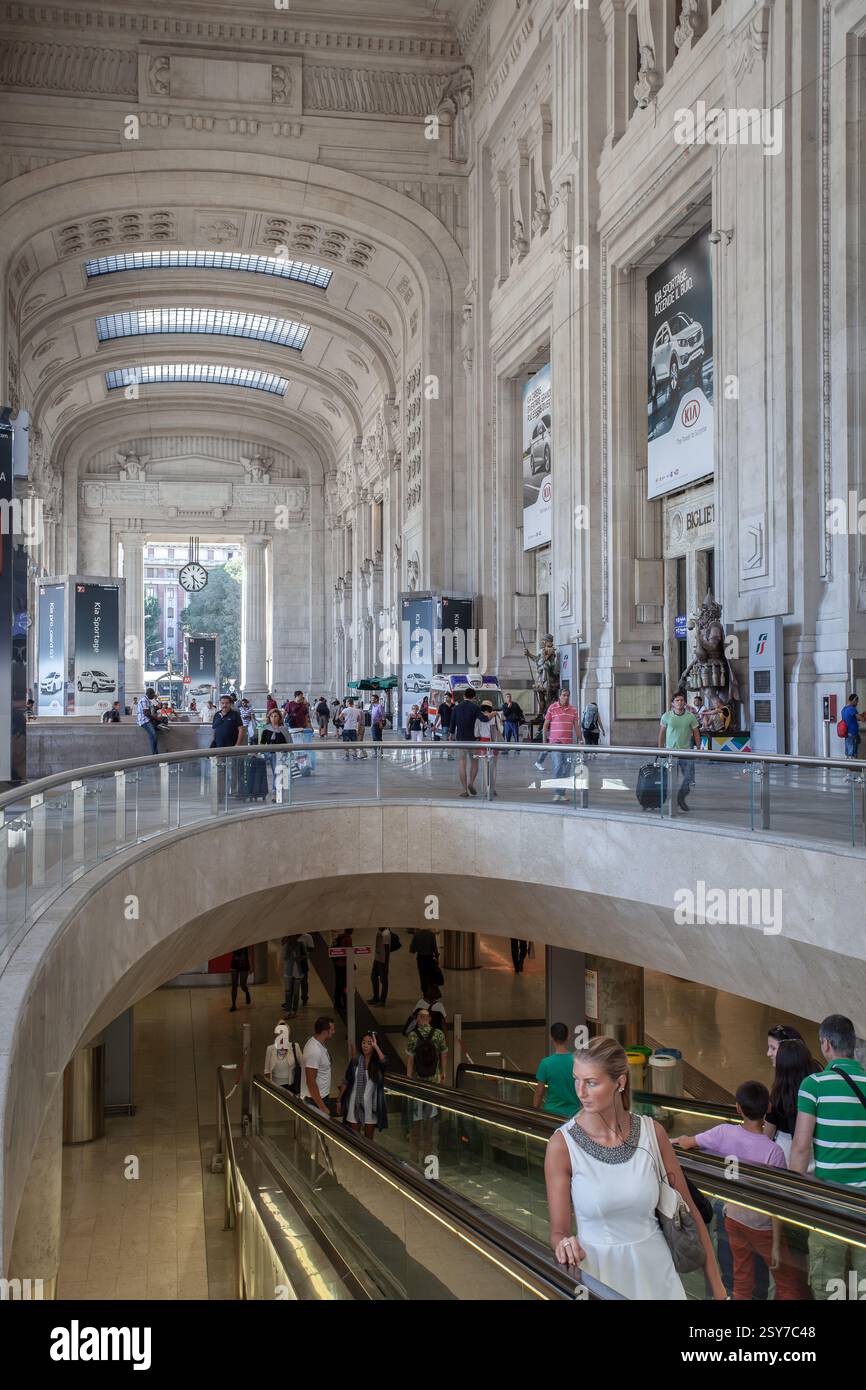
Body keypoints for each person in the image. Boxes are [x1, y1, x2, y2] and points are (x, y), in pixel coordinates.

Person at [544, 1035, 726, 1300]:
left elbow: (691, 1214)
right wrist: (563, 1243)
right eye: (577, 1080)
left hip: (658, 1279)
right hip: (600, 1279)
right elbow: (558, 1231)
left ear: (620, 1082)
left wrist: (719, 1292)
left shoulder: (653, 1134)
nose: (580, 1092)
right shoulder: (562, 1145)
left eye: (591, 1083)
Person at [674, 1080, 806, 1300]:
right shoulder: (773, 1152)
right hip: (763, 1226)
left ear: (738, 1108)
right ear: (769, 1108)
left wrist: (669, 1140)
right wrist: (775, 1244)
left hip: (733, 1217)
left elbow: (687, 1142)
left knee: (742, 1278)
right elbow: (776, 1201)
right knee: (787, 1282)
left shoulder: (723, 1132)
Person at [789, 1013, 866, 1298]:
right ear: (852, 1046)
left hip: (829, 1202)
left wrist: (794, 1194)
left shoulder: (814, 1085)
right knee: (863, 1285)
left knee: (827, 1281)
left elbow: (800, 1145)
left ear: (825, 1045)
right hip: (864, 1203)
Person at [338, 1031, 387, 1138]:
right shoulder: (355, 1060)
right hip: (354, 1103)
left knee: (368, 1141)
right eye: (363, 1042)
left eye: (369, 1043)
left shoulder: (377, 1063)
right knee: (356, 1139)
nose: (365, 1045)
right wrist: (339, 1100)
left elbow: (384, 1062)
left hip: (370, 1106)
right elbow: (346, 1081)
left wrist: (376, 1047)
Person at [658, 691, 701, 812]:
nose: (680, 702)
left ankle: (681, 797)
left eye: (682, 700)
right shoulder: (666, 716)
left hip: (686, 752)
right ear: (673, 703)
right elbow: (661, 733)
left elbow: (696, 733)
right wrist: (660, 750)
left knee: (689, 777)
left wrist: (698, 749)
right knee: (671, 778)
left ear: (685, 703)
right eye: (677, 700)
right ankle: (672, 800)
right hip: (670, 753)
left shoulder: (690, 716)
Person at [534, 1022, 580, 1117]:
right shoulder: (577, 1061)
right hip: (573, 1115)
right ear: (568, 1036)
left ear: (551, 1037)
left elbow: (539, 1092)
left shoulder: (546, 1063)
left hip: (552, 1115)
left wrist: (534, 1112)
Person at [542, 687, 580, 803]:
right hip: (555, 743)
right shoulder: (552, 708)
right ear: (559, 696)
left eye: (568, 695)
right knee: (558, 765)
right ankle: (557, 792)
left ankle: (562, 793)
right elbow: (545, 726)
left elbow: (577, 727)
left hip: (568, 744)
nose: (566, 697)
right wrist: (545, 743)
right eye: (564, 695)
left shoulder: (573, 710)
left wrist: (581, 740)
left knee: (566, 769)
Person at [302, 1017, 337, 1116]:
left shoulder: (318, 1044)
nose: (334, 1032)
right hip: (316, 1100)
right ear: (325, 1032)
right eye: (332, 1030)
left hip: (320, 1097)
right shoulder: (314, 1051)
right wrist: (322, 1107)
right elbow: (311, 1081)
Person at [405, 1007, 448, 1084]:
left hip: (417, 1076)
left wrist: (408, 1076)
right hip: (435, 1075)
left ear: (418, 1019)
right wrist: (443, 1072)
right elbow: (443, 1054)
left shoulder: (413, 1035)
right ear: (429, 1019)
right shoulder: (439, 1033)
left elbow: (410, 1058)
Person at [450, 687, 480, 796]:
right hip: (474, 740)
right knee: (475, 762)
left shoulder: (456, 708)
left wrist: (451, 734)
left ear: (464, 696)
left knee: (462, 763)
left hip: (461, 740)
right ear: (474, 697)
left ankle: (464, 790)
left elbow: (452, 724)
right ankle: (471, 783)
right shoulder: (476, 708)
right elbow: (482, 720)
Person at [264, 1022, 302, 1093]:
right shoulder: (270, 1049)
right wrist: (269, 1088)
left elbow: (302, 1065)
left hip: (292, 1086)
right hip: (276, 1086)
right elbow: (267, 1071)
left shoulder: (295, 1047)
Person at [260, 707, 288, 799]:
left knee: (277, 772)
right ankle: (276, 789)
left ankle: (275, 791)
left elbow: (289, 742)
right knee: (275, 772)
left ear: (279, 718)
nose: (273, 718)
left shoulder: (283, 729)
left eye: (275, 716)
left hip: (280, 754)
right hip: (270, 753)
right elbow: (262, 743)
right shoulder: (266, 729)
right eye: (271, 716)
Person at [409, 925, 440, 994]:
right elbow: (435, 949)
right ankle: (430, 993)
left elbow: (412, 950)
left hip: (420, 959)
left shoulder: (416, 935)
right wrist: (437, 958)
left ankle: (424, 992)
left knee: (422, 977)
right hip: (429, 959)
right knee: (430, 976)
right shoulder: (431, 935)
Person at [281, 934, 305, 1016]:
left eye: (294, 937)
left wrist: (299, 957)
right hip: (288, 972)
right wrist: (289, 948)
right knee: (288, 992)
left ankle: (294, 1010)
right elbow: (284, 957)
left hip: (298, 971)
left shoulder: (300, 944)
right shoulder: (286, 946)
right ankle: (288, 1010)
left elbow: (305, 955)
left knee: (296, 992)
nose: (293, 939)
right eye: (290, 937)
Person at [840, 692, 865, 769]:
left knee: (848, 751)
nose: (857, 703)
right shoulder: (852, 709)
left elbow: (854, 718)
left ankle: (849, 768)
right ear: (853, 700)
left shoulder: (844, 709)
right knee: (852, 752)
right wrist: (864, 715)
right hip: (852, 733)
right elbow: (861, 719)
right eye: (857, 701)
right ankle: (852, 769)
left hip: (847, 733)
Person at [370, 925, 392, 1005]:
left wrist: (386, 964)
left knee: (384, 980)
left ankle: (382, 1000)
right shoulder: (380, 931)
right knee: (373, 977)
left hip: (382, 961)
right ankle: (376, 997)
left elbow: (387, 950)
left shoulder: (386, 934)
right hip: (377, 958)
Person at [332, 927, 352, 1011]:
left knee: (338, 984)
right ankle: (345, 1004)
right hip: (343, 965)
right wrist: (351, 963)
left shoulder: (340, 937)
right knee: (344, 985)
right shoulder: (348, 939)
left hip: (337, 964)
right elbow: (348, 953)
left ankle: (337, 1003)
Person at [136, 687, 161, 755]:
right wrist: (156, 719)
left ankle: (155, 752)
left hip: (148, 719)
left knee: (156, 731)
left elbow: (158, 707)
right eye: (153, 694)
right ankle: (154, 754)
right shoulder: (144, 700)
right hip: (144, 720)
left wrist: (156, 699)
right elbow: (146, 713)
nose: (153, 696)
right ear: (149, 694)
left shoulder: (148, 700)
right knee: (153, 735)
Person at [229, 945, 252, 1012]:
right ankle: (233, 1005)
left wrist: (251, 966)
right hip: (234, 964)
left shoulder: (247, 941)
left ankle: (246, 992)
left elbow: (250, 954)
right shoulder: (234, 942)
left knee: (243, 985)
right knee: (234, 985)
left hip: (244, 964)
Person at [433, 691, 454, 755]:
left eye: (447, 697)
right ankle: (442, 752)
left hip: (452, 725)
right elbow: (437, 716)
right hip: (444, 725)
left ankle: (449, 754)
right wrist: (435, 725)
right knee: (445, 739)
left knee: (451, 740)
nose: (446, 698)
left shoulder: (454, 706)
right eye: (445, 697)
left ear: (450, 698)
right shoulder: (442, 706)